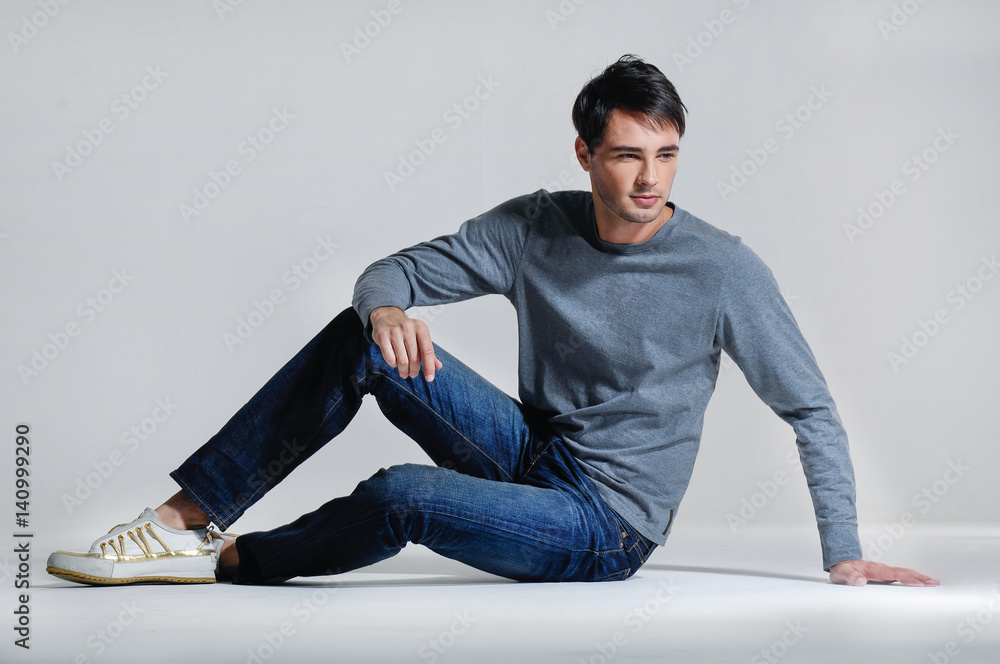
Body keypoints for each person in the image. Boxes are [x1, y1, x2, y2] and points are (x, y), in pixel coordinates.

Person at [47, 55, 937, 588]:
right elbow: (385, 272)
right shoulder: (531, 228)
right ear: (585, 152)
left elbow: (810, 408)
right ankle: (176, 525)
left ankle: (230, 561)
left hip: (606, 524)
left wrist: (844, 552)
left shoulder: (722, 269)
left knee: (402, 496)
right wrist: (390, 307)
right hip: (528, 454)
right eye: (628, 155)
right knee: (364, 334)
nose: (650, 180)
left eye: (666, 155)